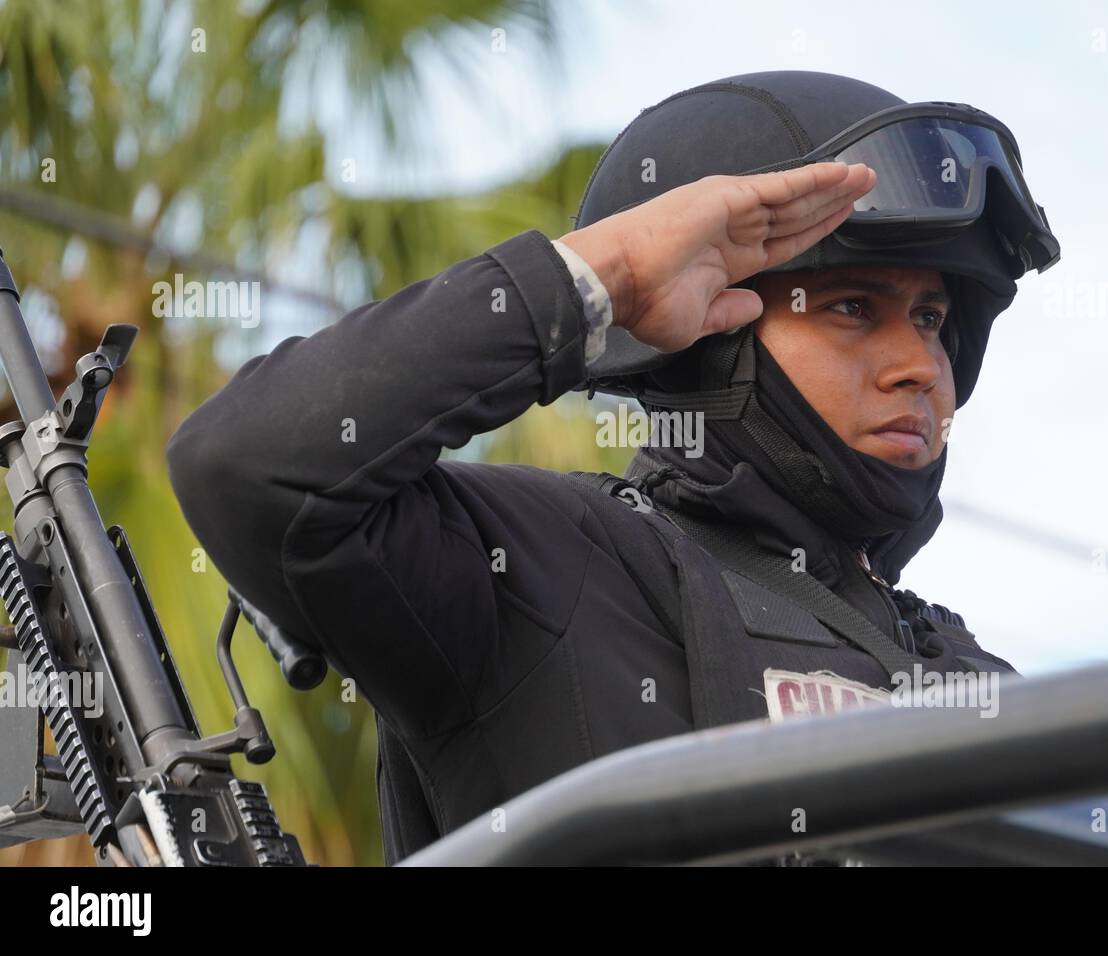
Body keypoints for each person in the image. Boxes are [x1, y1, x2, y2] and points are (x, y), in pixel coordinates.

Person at [165, 70, 1061, 863]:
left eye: (935, 319)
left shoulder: (968, 673)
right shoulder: (537, 566)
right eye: (855, 308)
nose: (919, 365)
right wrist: (613, 277)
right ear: (716, 334)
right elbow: (246, 464)